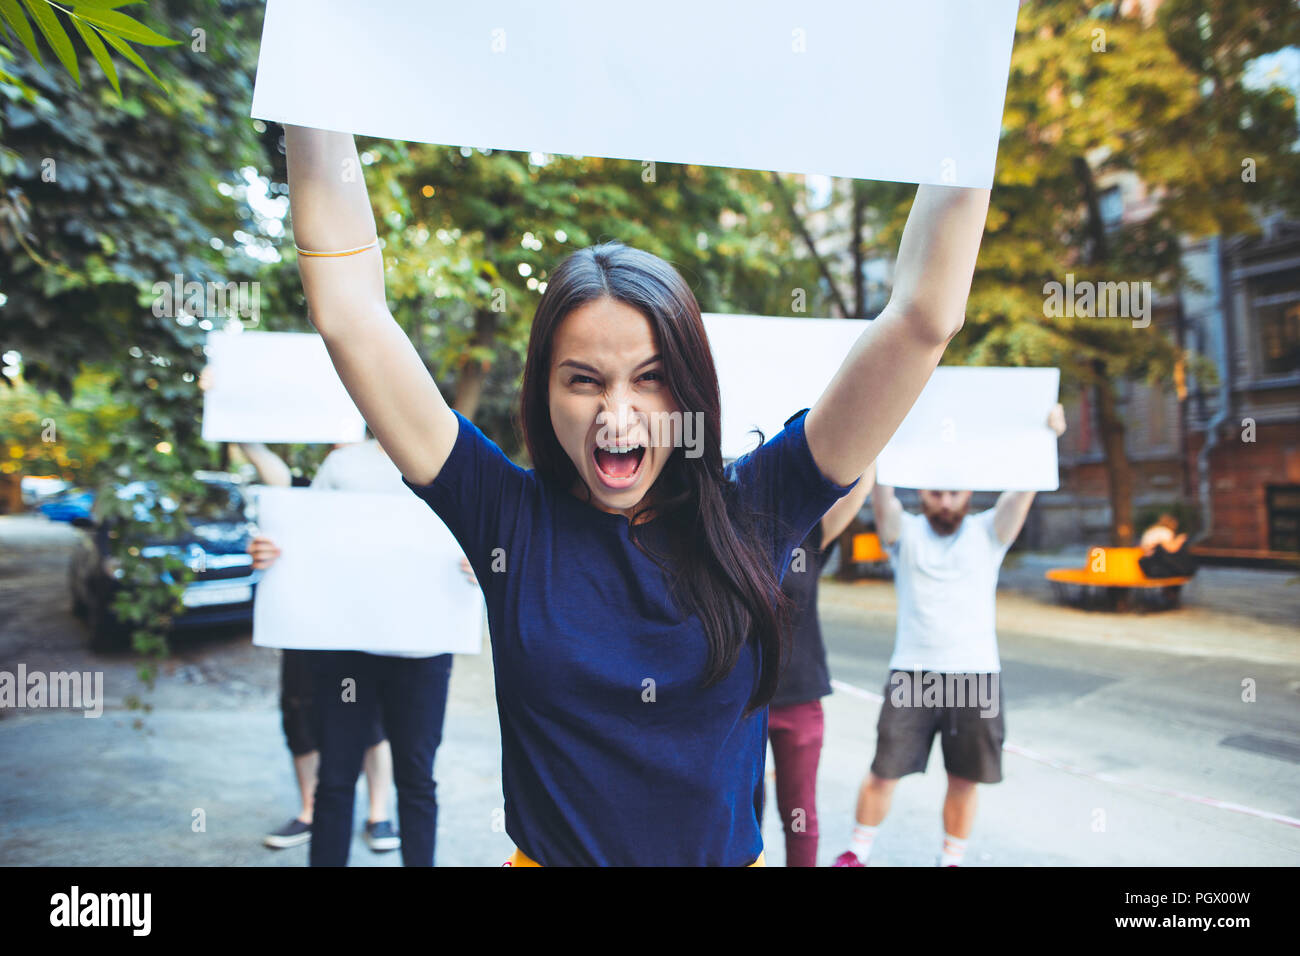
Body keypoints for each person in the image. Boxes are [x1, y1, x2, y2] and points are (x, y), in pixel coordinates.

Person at [283, 120, 990, 865]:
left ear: (689, 389)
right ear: (543, 393)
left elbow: (922, 319)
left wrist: (971, 106)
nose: (616, 417)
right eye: (583, 381)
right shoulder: (506, 519)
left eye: (649, 379)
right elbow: (350, 315)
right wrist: (313, 94)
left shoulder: (758, 506)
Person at [834, 404, 1067, 867]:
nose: (945, 500)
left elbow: (1023, 491)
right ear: (922, 491)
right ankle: (855, 855)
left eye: (954, 493)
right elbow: (880, 489)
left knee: (964, 779)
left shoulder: (989, 533)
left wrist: (1048, 438)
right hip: (912, 676)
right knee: (884, 772)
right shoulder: (904, 533)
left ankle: (952, 860)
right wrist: (881, 432)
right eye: (936, 492)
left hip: (976, 678)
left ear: (969, 495)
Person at [247, 429, 477, 867]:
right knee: (335, 777)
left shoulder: (451, 457)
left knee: (417, 781)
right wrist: (270, 550)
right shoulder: (343, 464)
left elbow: (486, 539)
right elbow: (303, 537)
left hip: (423, 648)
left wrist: (484, 560)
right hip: (345, 647)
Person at [197, 367, 396, 852]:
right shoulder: (313, 481)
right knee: (300, 709)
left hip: (364, 620)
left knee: (372, 718)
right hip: (308, 620)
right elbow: (274, 479)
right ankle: (308, 810)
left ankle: (378, 813)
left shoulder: (390, 468)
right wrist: (229, 402)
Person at [767, 416, 875, 867]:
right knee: (735, 813)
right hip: (735, 698)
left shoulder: (811, 532)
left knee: (798, 815)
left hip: (800, 695)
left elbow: (862, 474)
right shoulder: (723, 524)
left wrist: (866, 424)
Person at [1138, 514, 1198, 579]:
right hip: (1157, 565)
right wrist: (1180, 540)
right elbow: (1171, 549)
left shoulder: (1152, 530)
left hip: (1148, 567)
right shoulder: (1165, 531)